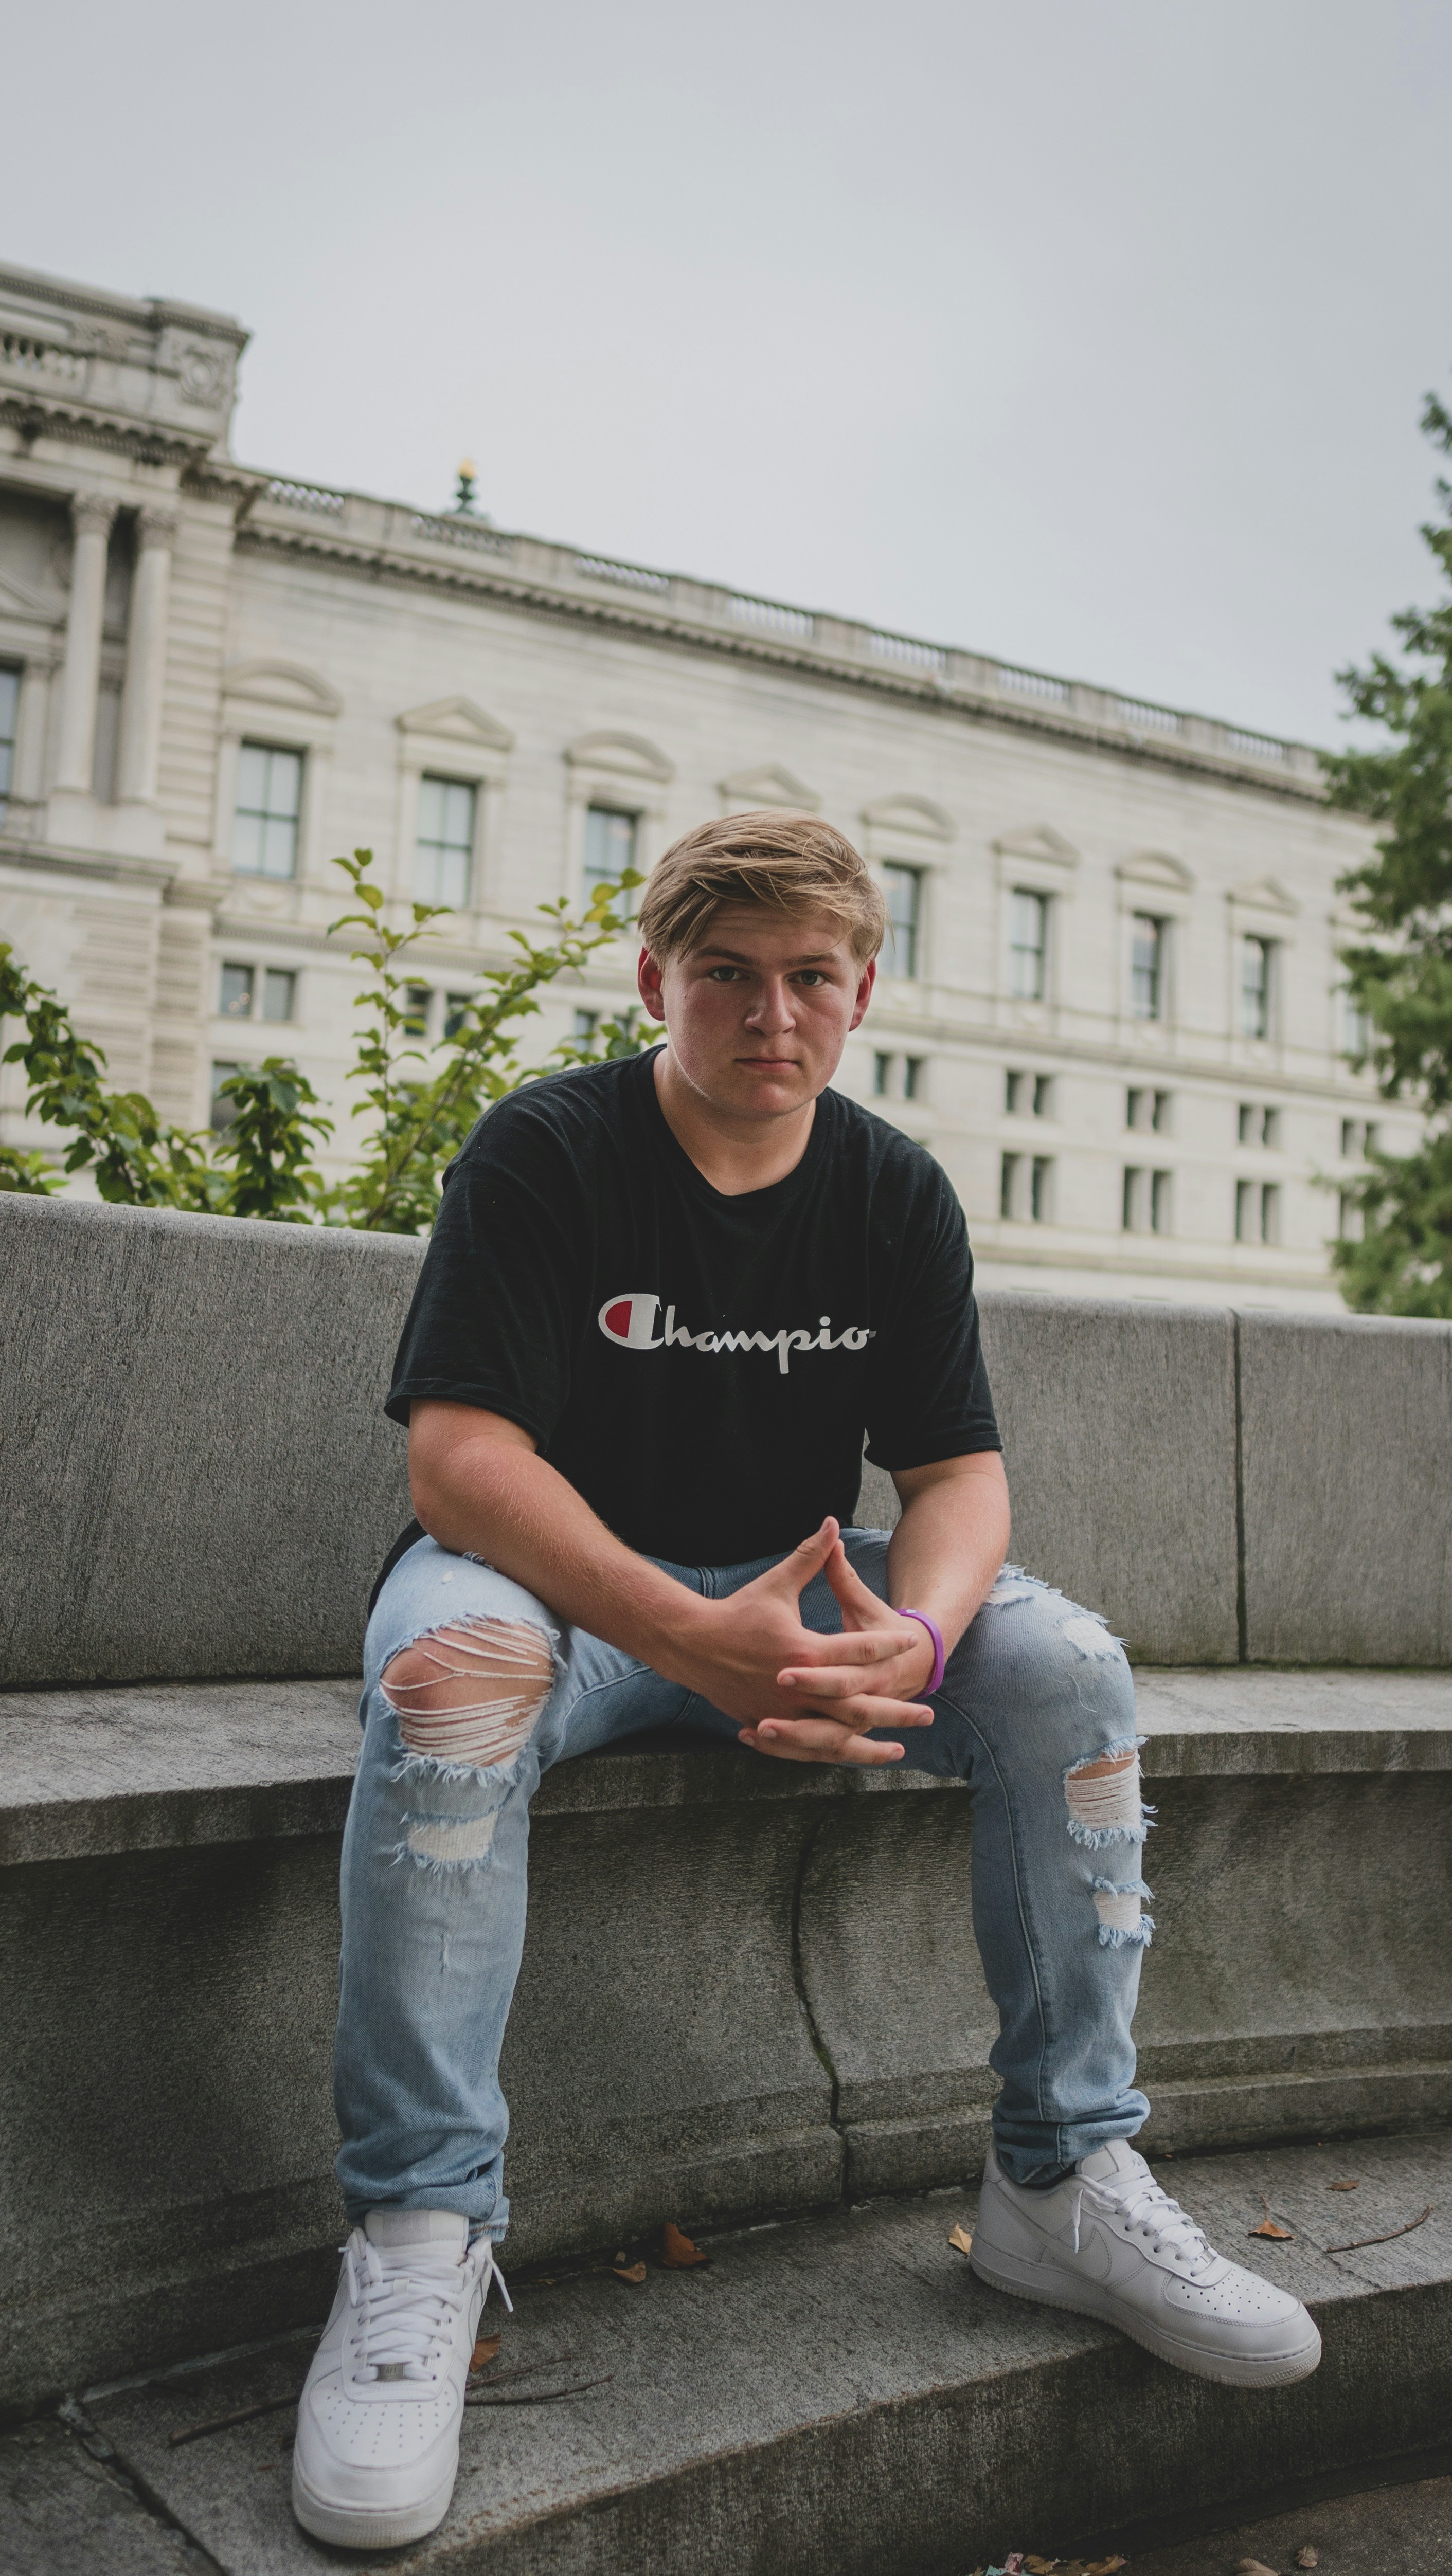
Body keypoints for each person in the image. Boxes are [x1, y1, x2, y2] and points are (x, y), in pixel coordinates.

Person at [291, 812, 1321, 2550]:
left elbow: (959, 1478)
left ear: (862, 995)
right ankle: (414, 2238)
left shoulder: (891, 1187)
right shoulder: (545, 1151)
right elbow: (462, 1464)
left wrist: (911, 1639)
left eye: (810, 980)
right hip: (566, 1588)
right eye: (728, 976)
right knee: (456, 1674)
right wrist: (684, 1628)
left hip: (802, 1596)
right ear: (656, 984)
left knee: (1063, 1670)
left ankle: (1059, 2176)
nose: (772, 1013)